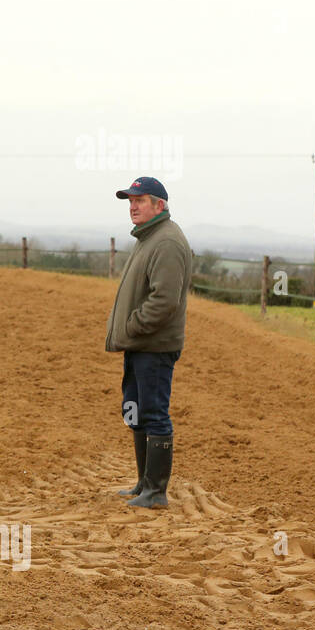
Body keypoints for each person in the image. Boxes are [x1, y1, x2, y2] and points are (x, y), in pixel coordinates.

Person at [105, 176, 192, 510]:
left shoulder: (167, 242)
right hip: (139, 343)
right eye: (130, 201)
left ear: (160, 205)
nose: (132, 206)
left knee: (155, 414)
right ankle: (144, 483)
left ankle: (156, 492)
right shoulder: (149, 237)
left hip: (154, 345)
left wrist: (132, 326)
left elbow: (165, 301)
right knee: (136, 412)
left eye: (139, 200)